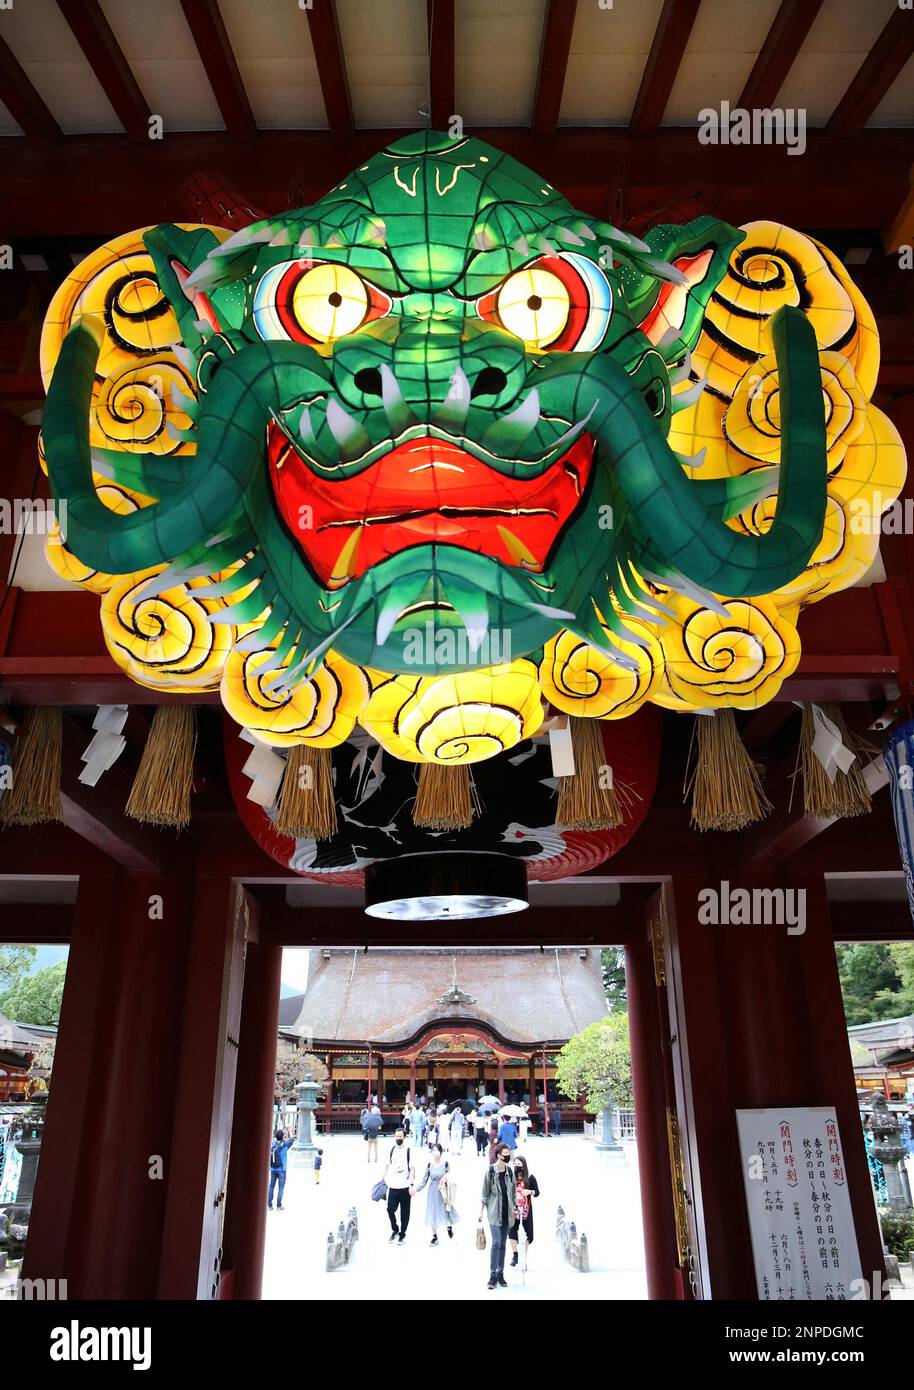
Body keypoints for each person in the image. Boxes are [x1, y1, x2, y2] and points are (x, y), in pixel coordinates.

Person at [479, 1144, 516, 1289]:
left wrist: (514, 1206)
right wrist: (480, 1212)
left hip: (507, 1213)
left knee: (503, 1243)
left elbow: (512, 1190)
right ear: (499, 1155)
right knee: (496, 1242)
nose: (508, 1156)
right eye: (506, 1153)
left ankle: (501, 1273)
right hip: (494, 1213)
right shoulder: (490, 1171)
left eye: (508, 1153)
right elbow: (484, 1193)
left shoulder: (509, 1171)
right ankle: (492, 1275)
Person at [415, 1143, 458, 1245]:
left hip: (443, 1191)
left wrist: (445, 1178)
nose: (435, 1152)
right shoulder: (429, 1165)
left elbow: (450, 1175)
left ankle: (448, 1226)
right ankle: (435, 1237)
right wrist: (416, 1189)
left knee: (446, 1210)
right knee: (432, 1213)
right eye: (433, 1150)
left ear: (441, 1151)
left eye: (437, 1150)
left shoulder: (446, 1164)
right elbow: (424, 1180)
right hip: (433, 1191)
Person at [383, 1128, 415, 1244]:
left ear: (404, 1137)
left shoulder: (408, 1151)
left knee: (405, 1213)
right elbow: (386, 1165)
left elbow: (412, 1169)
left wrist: (411, 1184)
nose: (398, 1138)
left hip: (405, 1186)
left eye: (400, 1136)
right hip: (393, 1185)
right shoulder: (391, 1150)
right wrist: (382, 1179)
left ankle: (402, 1234)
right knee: (390, 1209)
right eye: (396, 1136)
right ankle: (395, 1229)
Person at [508, 1155, 539, 1266]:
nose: (517, 1167)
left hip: (526, 1210)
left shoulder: (530, 1178)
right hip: (513, 1209)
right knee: (511, 1232)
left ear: (524, 1165)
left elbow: (537, 1192)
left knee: (528, 1234)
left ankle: (524, 1257)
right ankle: (515, 1254)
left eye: (519, 1164)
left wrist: (529, 1191)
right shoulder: (510, 1178)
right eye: (515, 1164)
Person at [268, 1127, 294, 1210]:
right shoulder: (285, 1144)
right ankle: (278, 1206)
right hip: (282, 1169)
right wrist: (289, 1130)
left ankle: (269, 1205)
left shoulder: (273, 1143)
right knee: (281, 1188)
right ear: (283, 1136)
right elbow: (292, 1139)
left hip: (273, 1169)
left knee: (271, 1187)